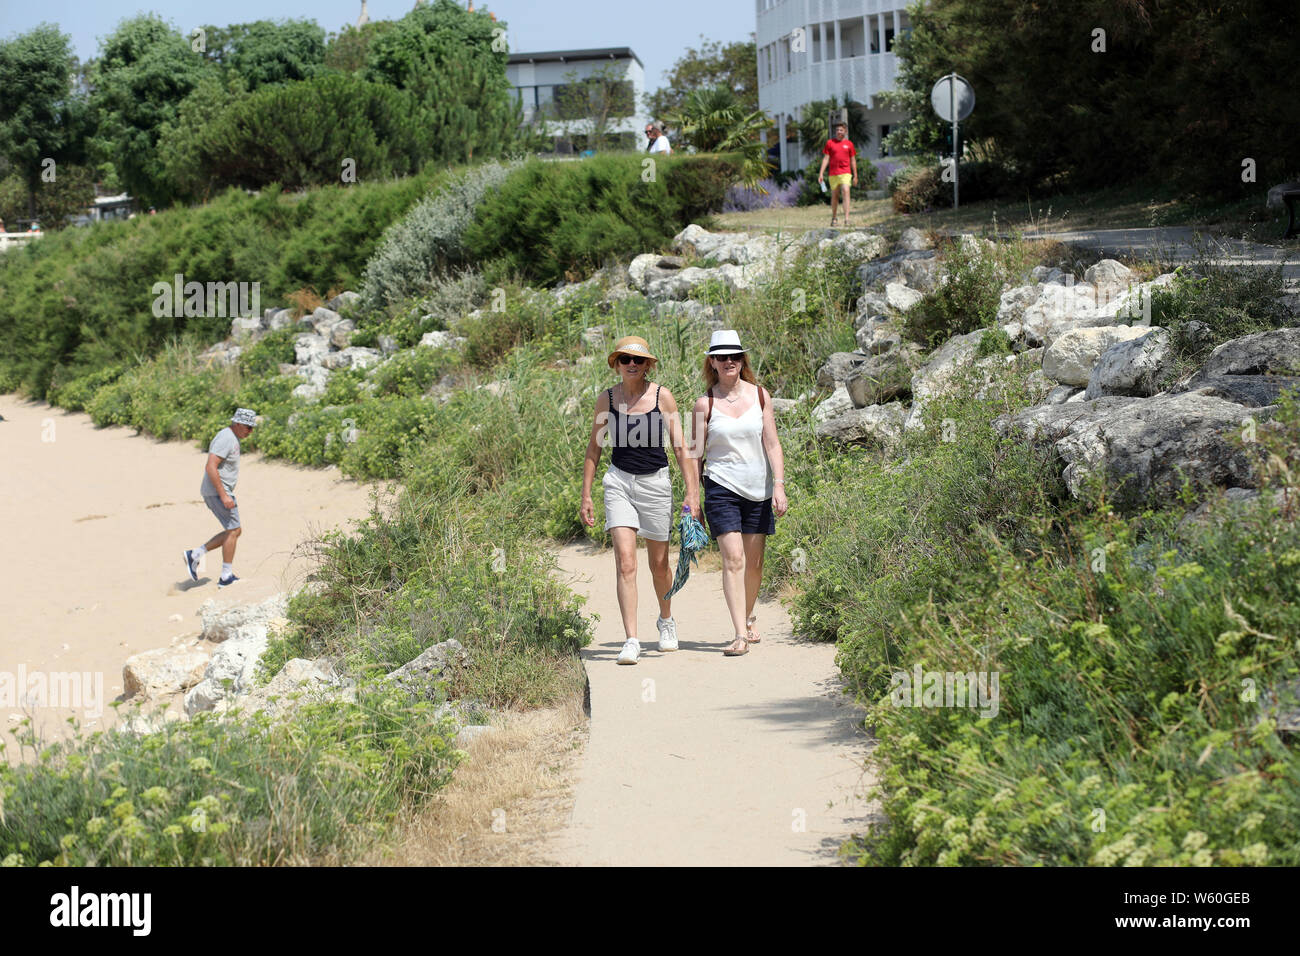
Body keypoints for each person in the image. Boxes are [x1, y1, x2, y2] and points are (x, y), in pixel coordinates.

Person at [581, 336, 699, 664]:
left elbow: (680, 448)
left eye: (638, 360)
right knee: (626, 562)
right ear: (616, 364)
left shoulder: (663, 397)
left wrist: (692, 493)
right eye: (625, 360)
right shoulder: (606, 399)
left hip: (655, 485)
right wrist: (586, 494)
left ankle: (666, 620)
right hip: (618, 482)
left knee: (659, 564)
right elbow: (594, 448)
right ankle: (631, 639)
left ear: (648, 365)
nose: (631, 365)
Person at [691, 331, 788, 657]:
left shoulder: (761, 396)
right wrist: (693, 497)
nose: (728, 361)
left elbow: (772, 444)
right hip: (720, 487)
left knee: (754, 564)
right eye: (721, 356)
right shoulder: (704, 404)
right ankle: (738, 635)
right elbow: (694, 454)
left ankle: (748, 616)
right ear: (713, 363)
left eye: (734, 355)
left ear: (742, 360)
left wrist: (779, 484)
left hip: (758, 489)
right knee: (733, 559)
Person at [183, 408, 257, 588]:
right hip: (218, 492)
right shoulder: (226, 438)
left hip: (217, 491)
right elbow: (210, 466)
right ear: (238, 423)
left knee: (234, 530)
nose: (250, 431)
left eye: (252, 428)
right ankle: (225, 576)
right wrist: (224, 495)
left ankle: (196, 554)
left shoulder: (232, 437)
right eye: (248, 427)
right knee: (233, 531)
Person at [817, 122, 858, 227]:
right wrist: (821, 173)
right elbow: (826, 158)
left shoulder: (849, 144)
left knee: (846, 191)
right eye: (837, 130)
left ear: (845, 132)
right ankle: (834, 218)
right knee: (835, 196)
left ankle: (847, 219)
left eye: (841, 130)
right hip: (833, 173)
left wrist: (855, 175)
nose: (838, 132)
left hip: (846, 172)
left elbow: (853, 160)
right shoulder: (830, 143)